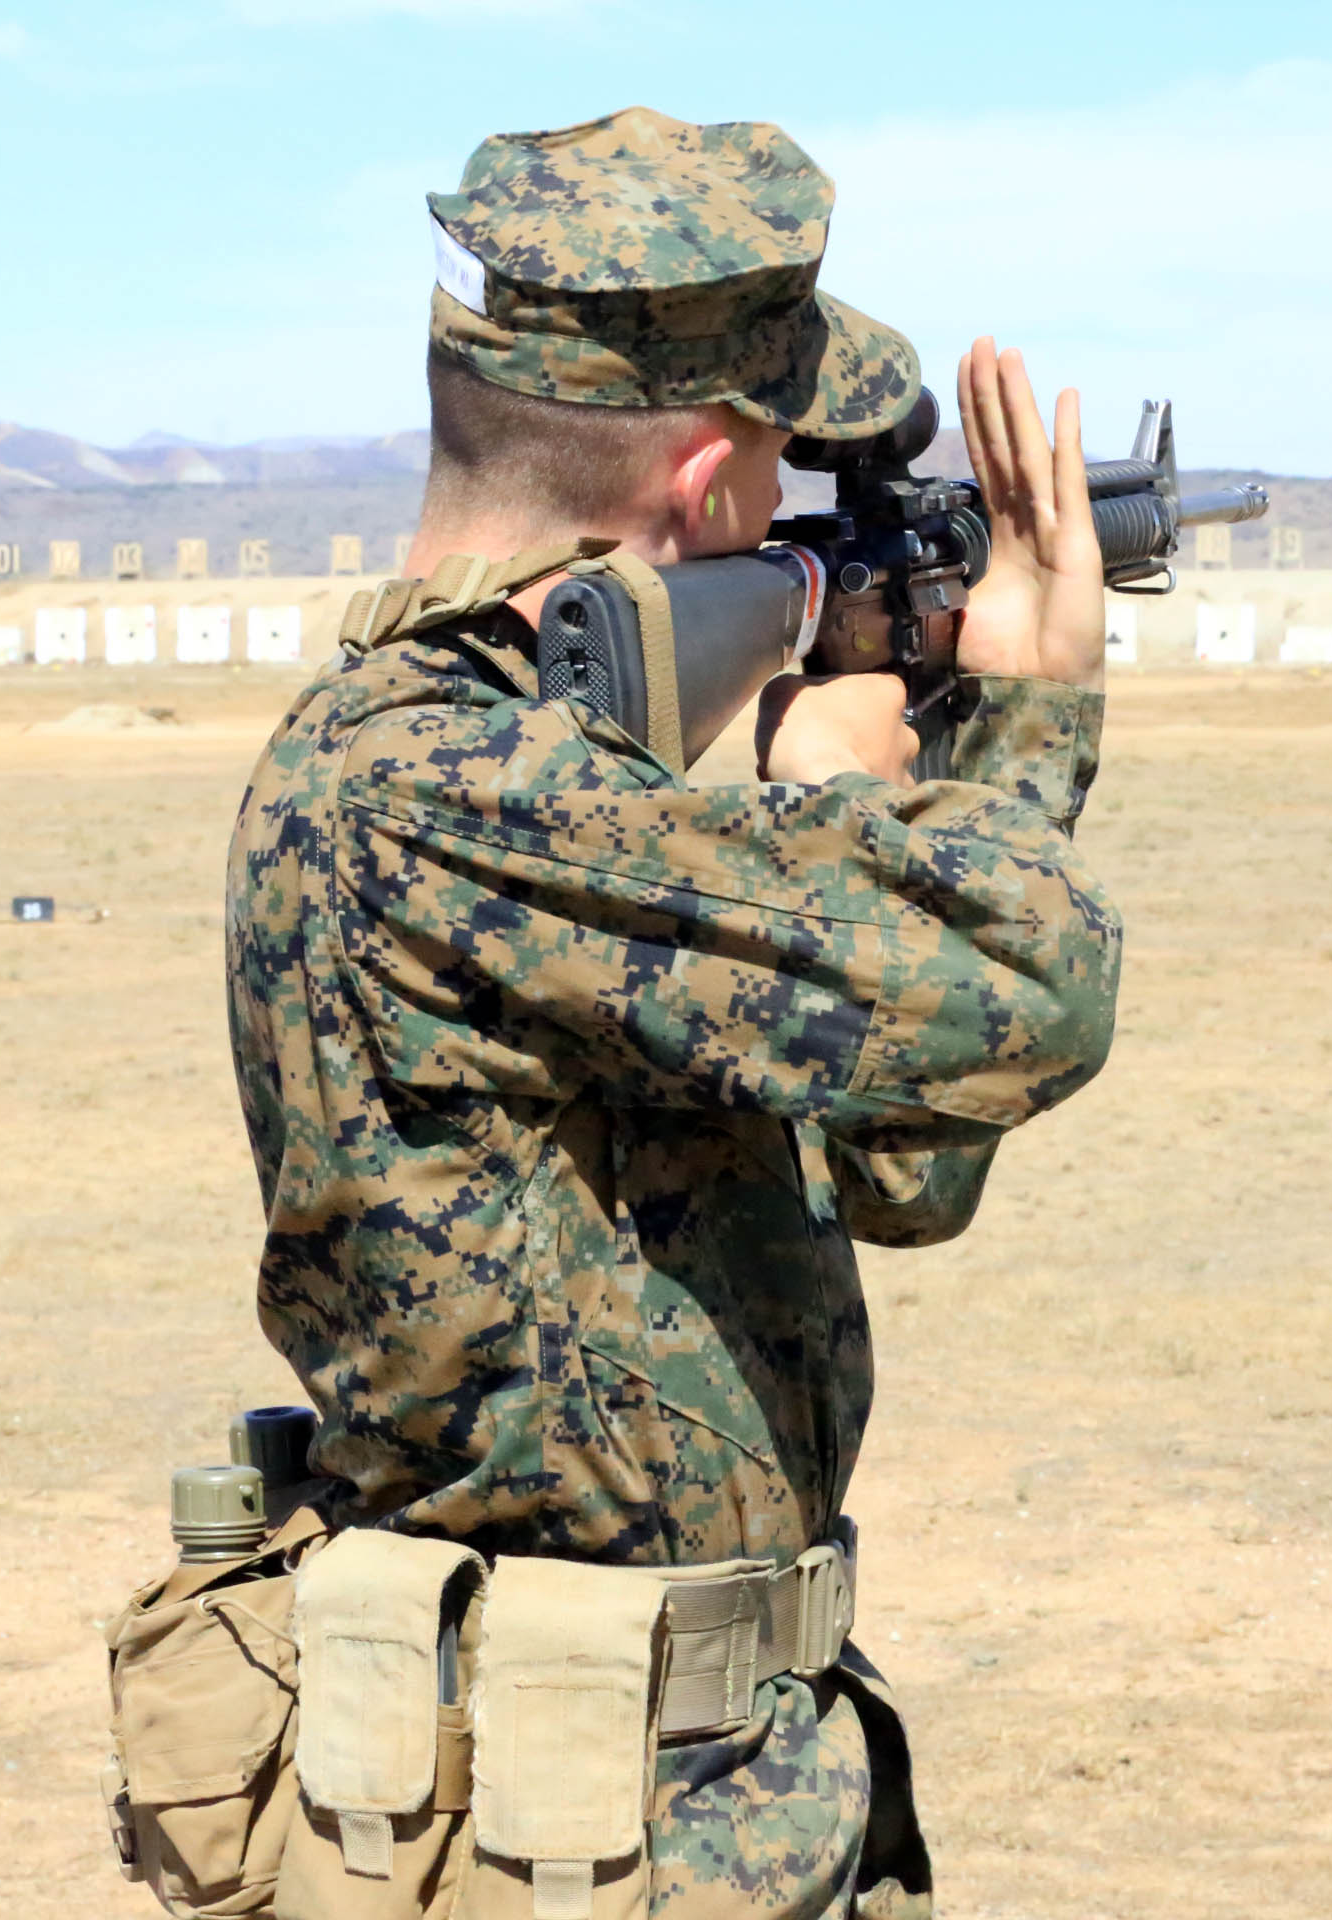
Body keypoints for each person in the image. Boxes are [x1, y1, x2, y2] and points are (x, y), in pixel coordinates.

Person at [224, 107, 1121, 1919]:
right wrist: (1008, 724)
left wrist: (830, 773)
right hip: (579, 1821)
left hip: (698, 1784)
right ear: (709, 483)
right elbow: (1034, 984)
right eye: (790, 472)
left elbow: (900, 1178)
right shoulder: (461, 794)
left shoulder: (528, 779)